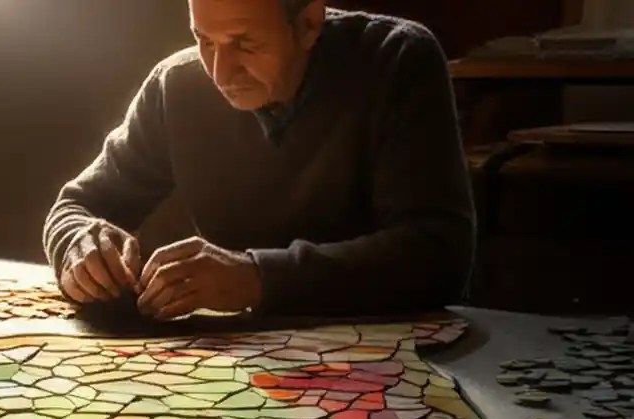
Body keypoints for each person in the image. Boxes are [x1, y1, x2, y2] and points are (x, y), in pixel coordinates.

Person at [43, 0, 475, 319]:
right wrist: (78, 244)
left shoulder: (397, 60)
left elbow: (438, 254)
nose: (219, 71)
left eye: (244, 44)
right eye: (203, 40)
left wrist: (258, 277)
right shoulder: (176, 87)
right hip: (238, 366)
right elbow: (75, 207)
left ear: (309, 23)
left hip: (393, 356)